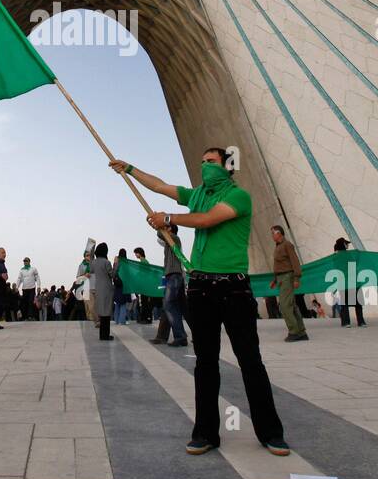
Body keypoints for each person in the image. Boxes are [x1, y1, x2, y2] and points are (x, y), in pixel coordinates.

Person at [113, 147, 290, 458]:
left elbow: (208, 220)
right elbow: (159, 185)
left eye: (210, 161)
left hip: (233, 289)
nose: (204, 165)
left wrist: (167, 217)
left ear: (226, 165)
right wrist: (130, 169)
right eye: (202, 161)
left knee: (250, 361)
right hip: (201, 288)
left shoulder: (239, 196)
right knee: (205, 363)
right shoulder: (196, 195)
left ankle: (271, 432)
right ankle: (205, 433)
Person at [268, 225, 308, 342]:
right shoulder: (278, 247)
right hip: (281, 278)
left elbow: (295, 262)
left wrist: (296, 278)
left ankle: (294, 332)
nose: (271, 236)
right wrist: (275, 280)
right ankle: (301, 331)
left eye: (272, 233)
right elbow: (279, 265)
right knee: (292, 305)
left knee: (285, 306)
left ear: (278, 233)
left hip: (287, 277)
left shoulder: (287, 245)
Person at [151, 225, 189, 347]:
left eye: (166, 228)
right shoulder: (169, 242)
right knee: (176, 307)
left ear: (170, 230)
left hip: (175, 276)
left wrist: (158, 225)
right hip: (171, 276)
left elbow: (160, 234)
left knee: (169, 305)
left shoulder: (175, 239)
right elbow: (160, 237)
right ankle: (162, 337)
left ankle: (180, 337)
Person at [332, 238, 365, 327]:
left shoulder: (335, 257)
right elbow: (354, 266)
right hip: (354, 282)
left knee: (345, 304)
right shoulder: (349, 255)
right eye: (346, 243)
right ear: (343, 244)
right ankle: (361, 322)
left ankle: (346, 322)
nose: (348, 245)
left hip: (343, 283)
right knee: (358, 304)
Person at [89, 243, 116, 341]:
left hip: (98, 289)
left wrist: (91, 254)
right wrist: (116, 265)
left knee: (102, 312)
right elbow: (112, 275)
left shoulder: (94, 263)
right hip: (107, 289)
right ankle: (106, 335)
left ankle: (102, 335)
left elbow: (91, 269)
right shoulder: (106, 262)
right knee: (107, 313)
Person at [112, 249, 131, 326]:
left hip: (117, 285)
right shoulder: (126, 263)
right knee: (123, 304)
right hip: (124, 285)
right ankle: (121, 321)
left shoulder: (116, 262)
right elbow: (128, 274)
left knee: (117, 303)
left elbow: (113, 272)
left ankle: (116, 320)